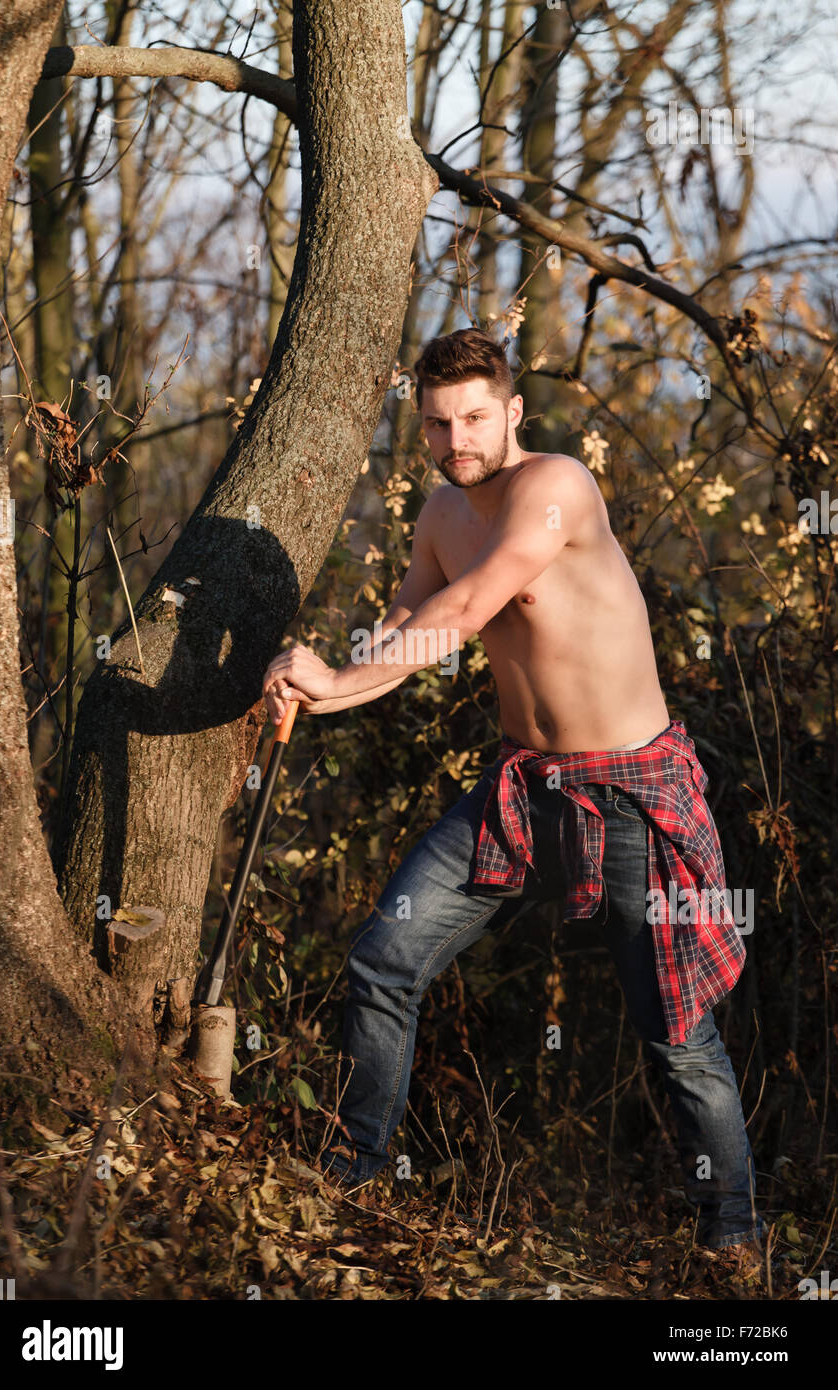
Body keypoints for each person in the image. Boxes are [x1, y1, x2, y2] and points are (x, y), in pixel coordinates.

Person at [261, 327, 765, 1263]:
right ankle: (356, 1175)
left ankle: (733, 1236)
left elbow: (467, 609)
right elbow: (412, 628)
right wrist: (323, 684)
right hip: (523, 789)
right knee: (384, 958)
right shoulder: (442, 516)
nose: (457, 440)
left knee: (678, 1038)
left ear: (514, 412)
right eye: (438, 424)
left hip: (628, 797)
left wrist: (333, 682)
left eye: (476, 418)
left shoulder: (557, 487)